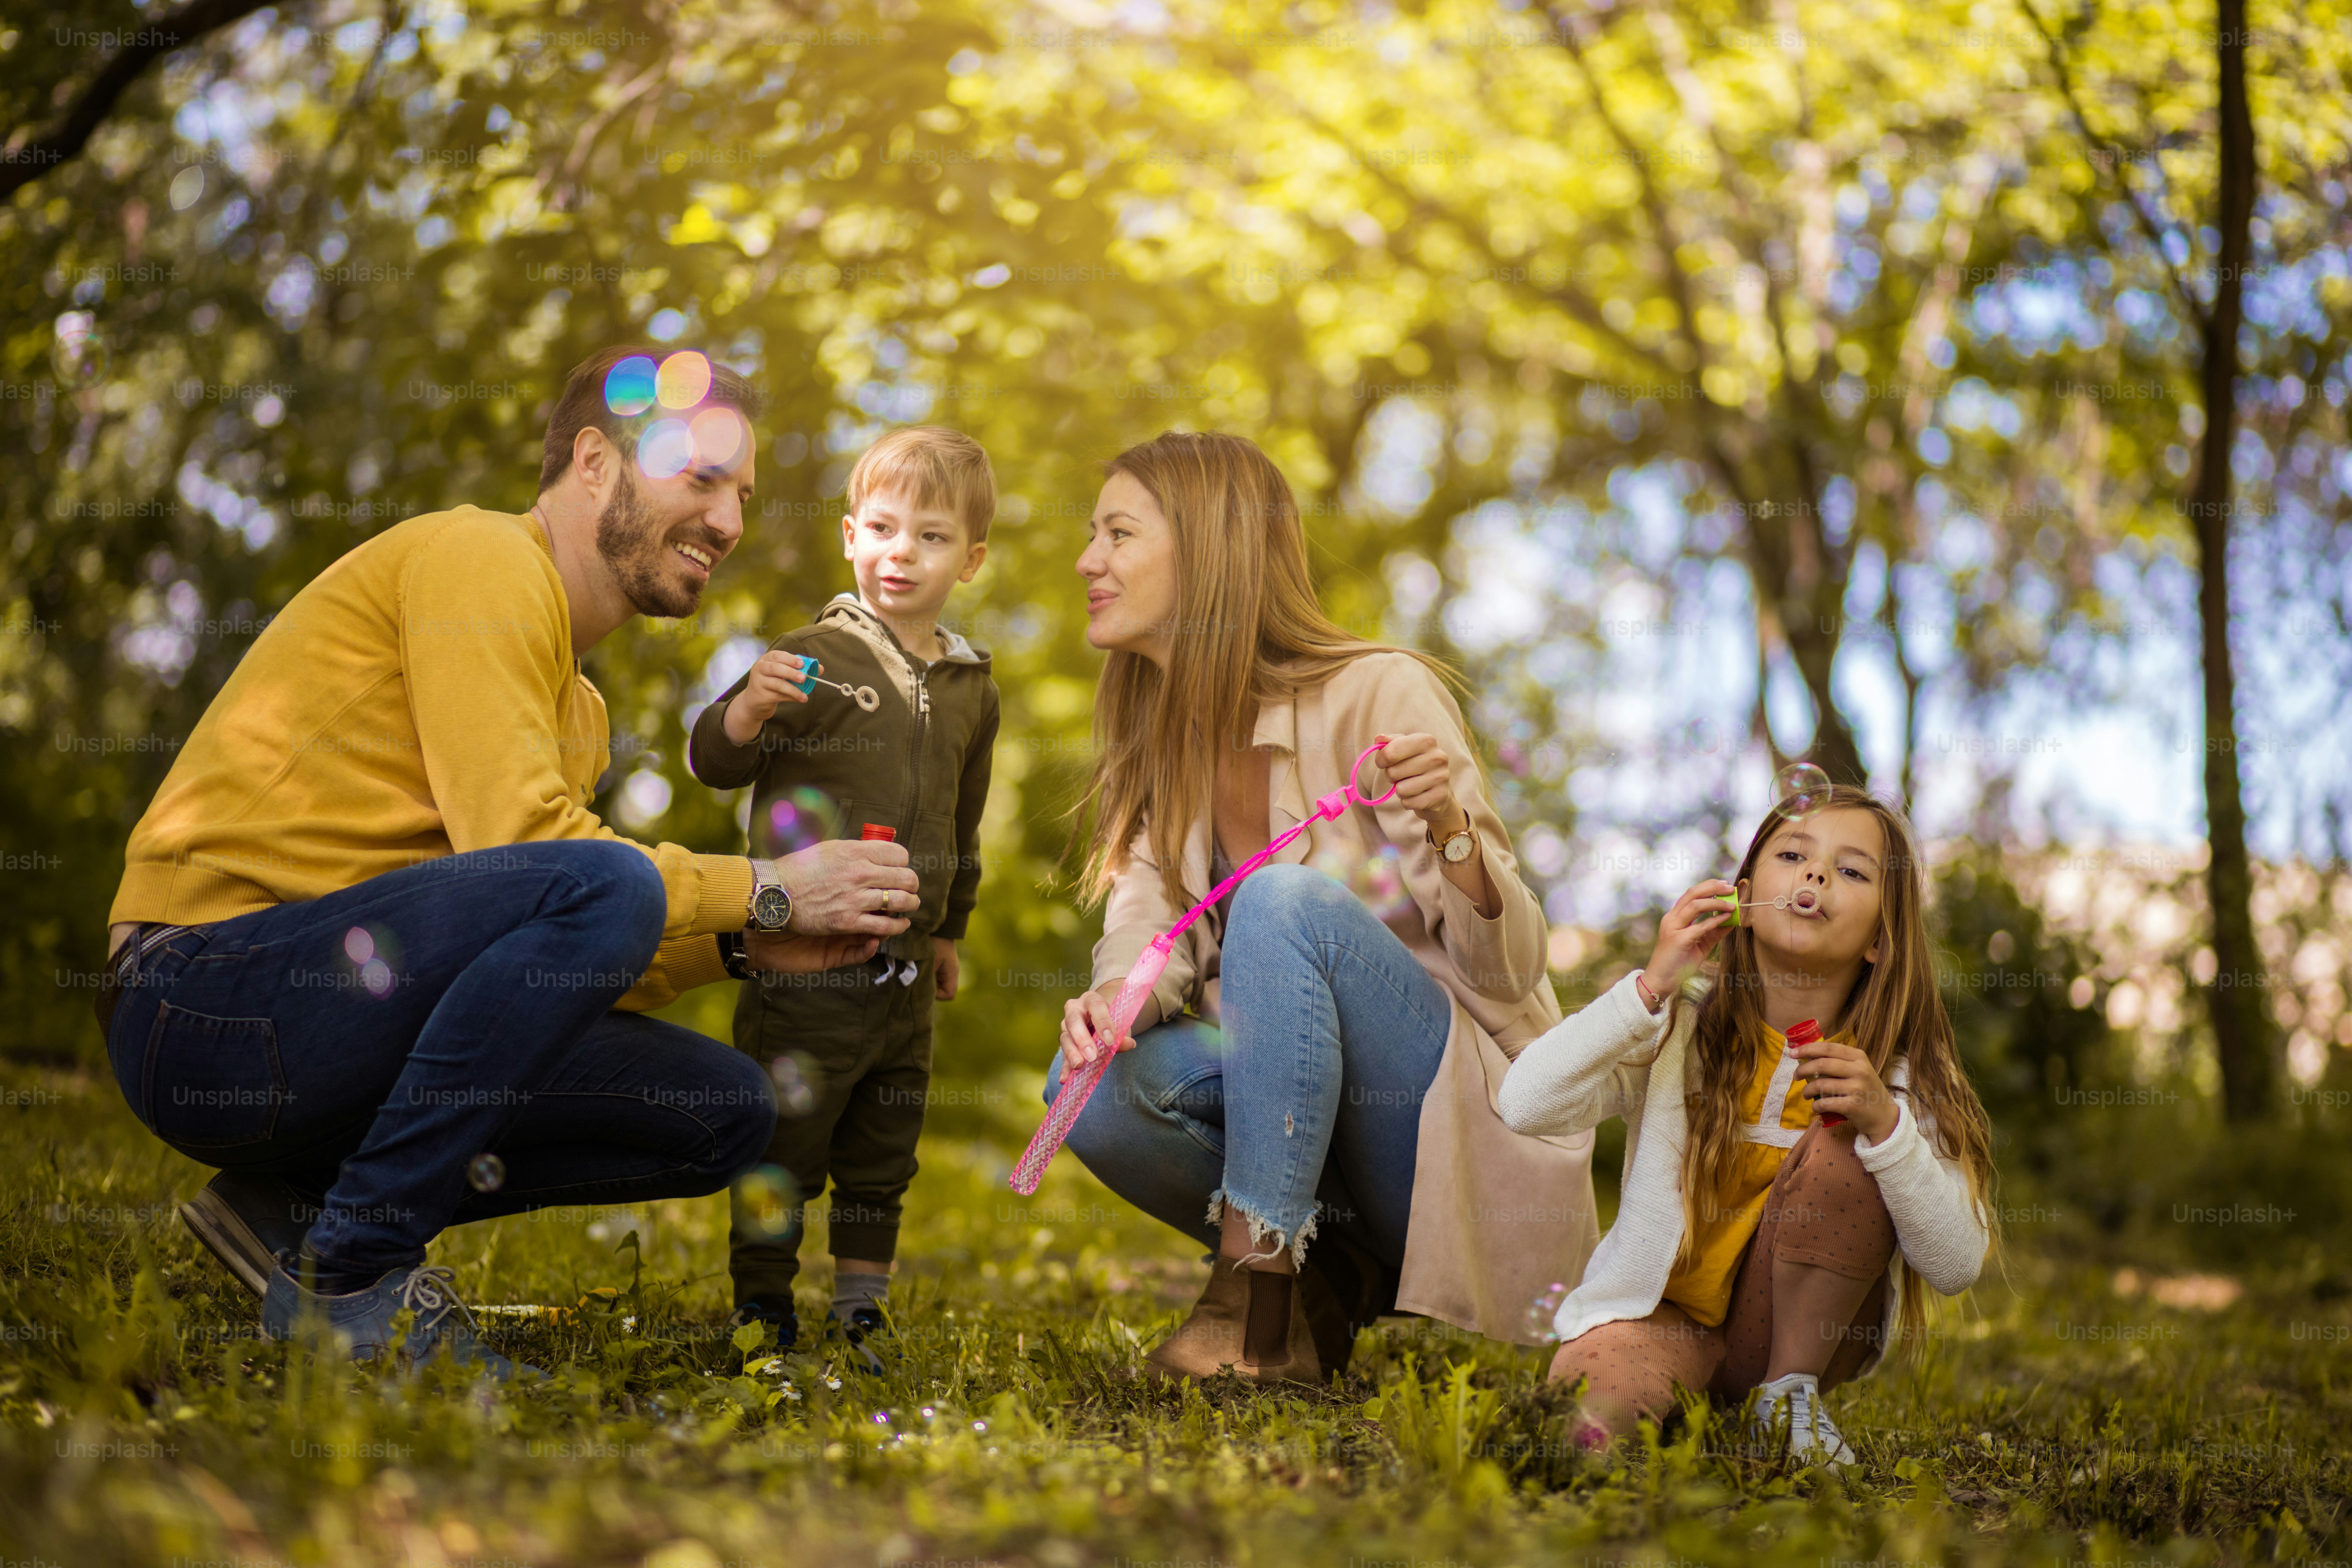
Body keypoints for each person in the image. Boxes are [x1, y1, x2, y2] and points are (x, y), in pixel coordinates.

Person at [99, 345, 921, 1377]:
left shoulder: (581, 712)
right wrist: (762, 887)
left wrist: (752, 943)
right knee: (607, 877)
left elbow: (555, 943)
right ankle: (353, 1281)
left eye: (744, 496)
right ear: (593, 462)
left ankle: (295, 1211)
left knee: (721, 1109)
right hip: (199, 1001)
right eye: (704, 478)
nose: (730, 523)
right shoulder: (481, 559)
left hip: (331, 1022)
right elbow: (535, 851)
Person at [1049, 430, 1596, 1385]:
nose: (1089, 560)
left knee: (1285, 898)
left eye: (1118, 534)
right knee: (1086, 1083)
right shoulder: (1159, 741)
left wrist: (1453, 830)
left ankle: (1251, 1295)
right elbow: (1146, 917)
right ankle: (1327, 1271)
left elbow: (1509, 971)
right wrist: (1118, 1001)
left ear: (1210, 547)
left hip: (1443, 1130)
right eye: (1095, 536)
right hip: (1310, 1123)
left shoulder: (1378, 690)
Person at [1496, 784, 1995, 1466]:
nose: (1816, 875)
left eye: (1851, 870)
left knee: (1848, 1137)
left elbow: (1957, 1263)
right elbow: (1525, 1102)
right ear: (1743, 894)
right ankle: (1677, 1398)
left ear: (1882, 939)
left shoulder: (1894, 1077)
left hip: (1794, 1337)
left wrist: (1885, 1126)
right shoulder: (1674, 1029)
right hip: (1658, 1322)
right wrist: (1648, 988)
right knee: (1577, 1435)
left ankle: (1784, 1399)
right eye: (1793, 853)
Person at [688, 426, 1001, 1360]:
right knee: (785, 1139)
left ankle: (861, 1306)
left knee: (883, 1147)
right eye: (884, 527)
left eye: (932, 536)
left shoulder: (971, 686)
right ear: (851, 536)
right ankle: (763, 1304)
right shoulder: (813, 653)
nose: (903, 551)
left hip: (905, 976)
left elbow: (964, 816)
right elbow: (714, 759)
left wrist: (949, 929)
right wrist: (743, 709)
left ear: (972, 560)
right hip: (807, 967)